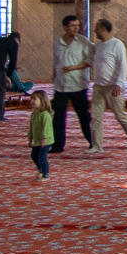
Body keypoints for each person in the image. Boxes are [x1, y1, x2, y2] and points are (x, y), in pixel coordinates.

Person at [89, 18, 127, 153]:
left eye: (97, 28)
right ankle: (97, 145)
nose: (95, 31)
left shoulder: (117, 44)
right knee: (95, 117)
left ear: (103, 29)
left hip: (113, 87)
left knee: (119, 115)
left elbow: (123, 66)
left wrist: (118, 83)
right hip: (99, 87)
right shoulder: (98, 45)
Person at [50, 15, 94, 154]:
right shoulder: (58, 42)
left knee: (83, 115)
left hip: (78, 85)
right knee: (58, 116)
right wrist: (54, 77)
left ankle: (93, 142)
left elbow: (90, 61)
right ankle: (57, 145)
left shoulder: (83, 41)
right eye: (73, 25)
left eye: (77, 25)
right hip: (61, 86)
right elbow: (56, 62)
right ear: (65, 27)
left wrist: (73, 68)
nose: (76, 28)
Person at [27, 91, 53, 180]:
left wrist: (45, 138)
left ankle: (46, 174)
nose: (32, 101)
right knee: (34, 155)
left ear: (42, 101)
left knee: (42, 156)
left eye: (34, 99)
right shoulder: (34, 114)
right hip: (37, 140)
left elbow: (47, 128)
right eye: (31, 99)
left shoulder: (45, 115)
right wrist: (30, 138)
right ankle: (41, 171)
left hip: (46, 141)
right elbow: (31, 127)